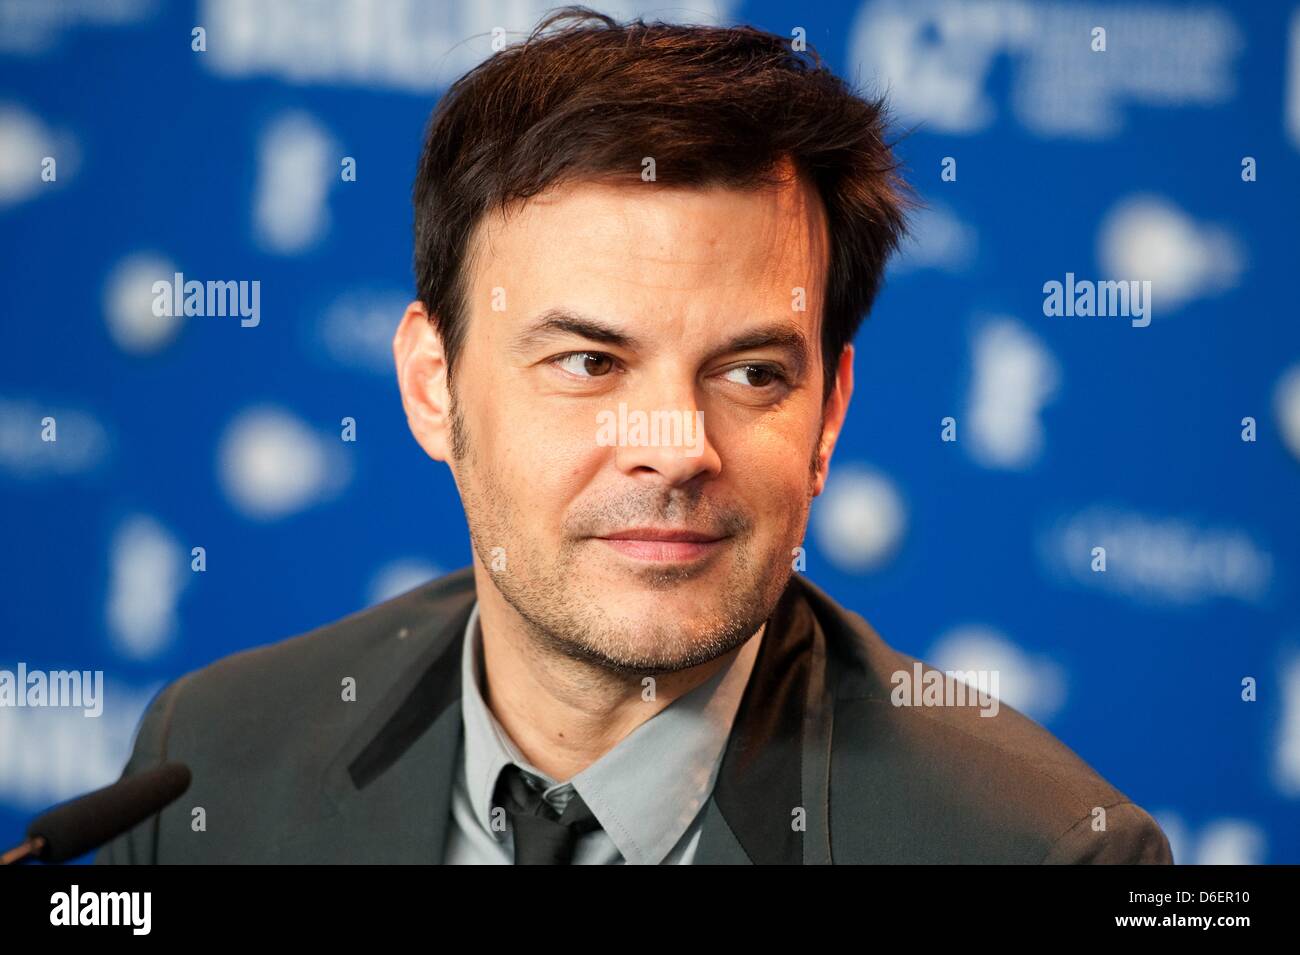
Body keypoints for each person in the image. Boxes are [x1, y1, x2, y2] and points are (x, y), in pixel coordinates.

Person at [97, 6, 1172, 865]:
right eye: (589, 363)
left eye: (751, 372)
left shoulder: (1039, 854)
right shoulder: (213, 760)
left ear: (827, 415)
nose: (676, 445)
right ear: (434, 389)